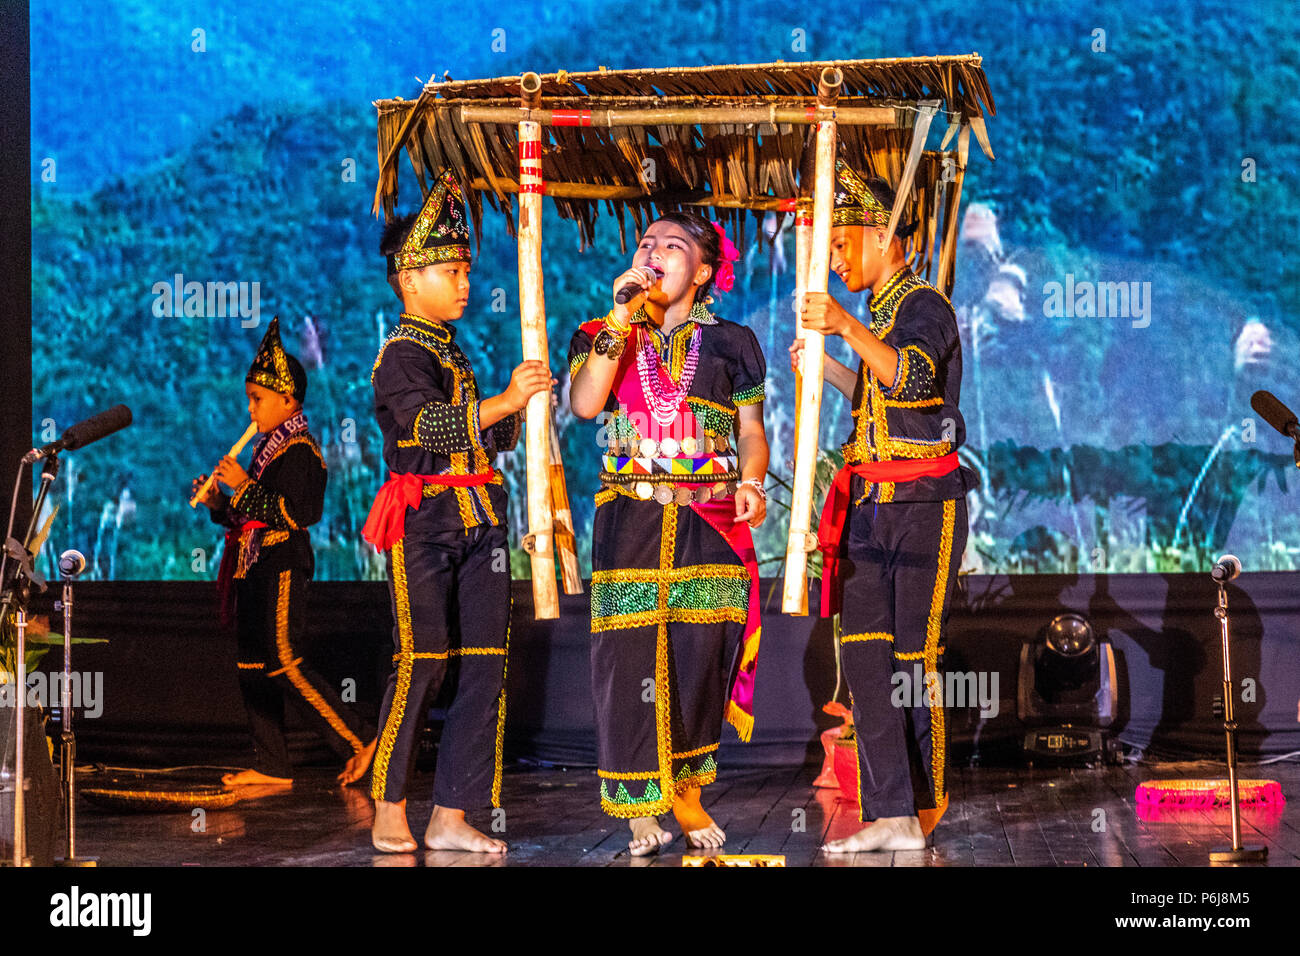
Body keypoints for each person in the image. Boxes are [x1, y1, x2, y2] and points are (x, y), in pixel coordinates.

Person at [361, 170, 551, 854]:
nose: (465, 281)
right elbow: (425, 431)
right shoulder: (402, 354)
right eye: (450, 269)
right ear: (410, 279)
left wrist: (521, 412)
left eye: (467, 268)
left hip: (479, 519)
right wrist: (501, 404)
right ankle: (388, 803)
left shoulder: (449, 348)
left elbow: (481, 436)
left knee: (485, 662)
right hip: (427, 522)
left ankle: (453, 812)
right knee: (423, 660)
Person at [569, 211, 769, 856]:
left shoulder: (734, 342)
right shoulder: (601, 331)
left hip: (708, 518)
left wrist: (753, 483)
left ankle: (685, 794)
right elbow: (585, 405)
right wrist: (619, 320)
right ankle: (636, 805)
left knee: (698, 658)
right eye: (646, 243)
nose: (654, 252)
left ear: (703, 272)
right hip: (629, 518)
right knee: (628, 663)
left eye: (673, 246)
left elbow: (751, 434)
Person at [792, 162, 975, 852]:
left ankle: (920, 810)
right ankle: (887, 811)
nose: (836, 258)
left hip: (926, 504)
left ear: (881, 234)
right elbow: (874, 401)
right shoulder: (881, 317)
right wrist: (829, 368)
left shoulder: (925, 305)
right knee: (864, 660)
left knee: (911, 659)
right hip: (872, 505)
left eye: (841, 244)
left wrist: (843, 329)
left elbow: (916, 379)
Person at [192, 316, 377, 789]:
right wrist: (219, 501)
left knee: (284, 659)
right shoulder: (265, 452)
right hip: (255, 565)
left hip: (283, 564)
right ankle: (272, 762)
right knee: (252, 662)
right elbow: (248, 517)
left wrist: (242, 486)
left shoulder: (300, 451)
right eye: (248, 399)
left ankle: (360, 739)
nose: (250, 409)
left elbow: (297, 513)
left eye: (258, 399)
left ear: (289, 401)